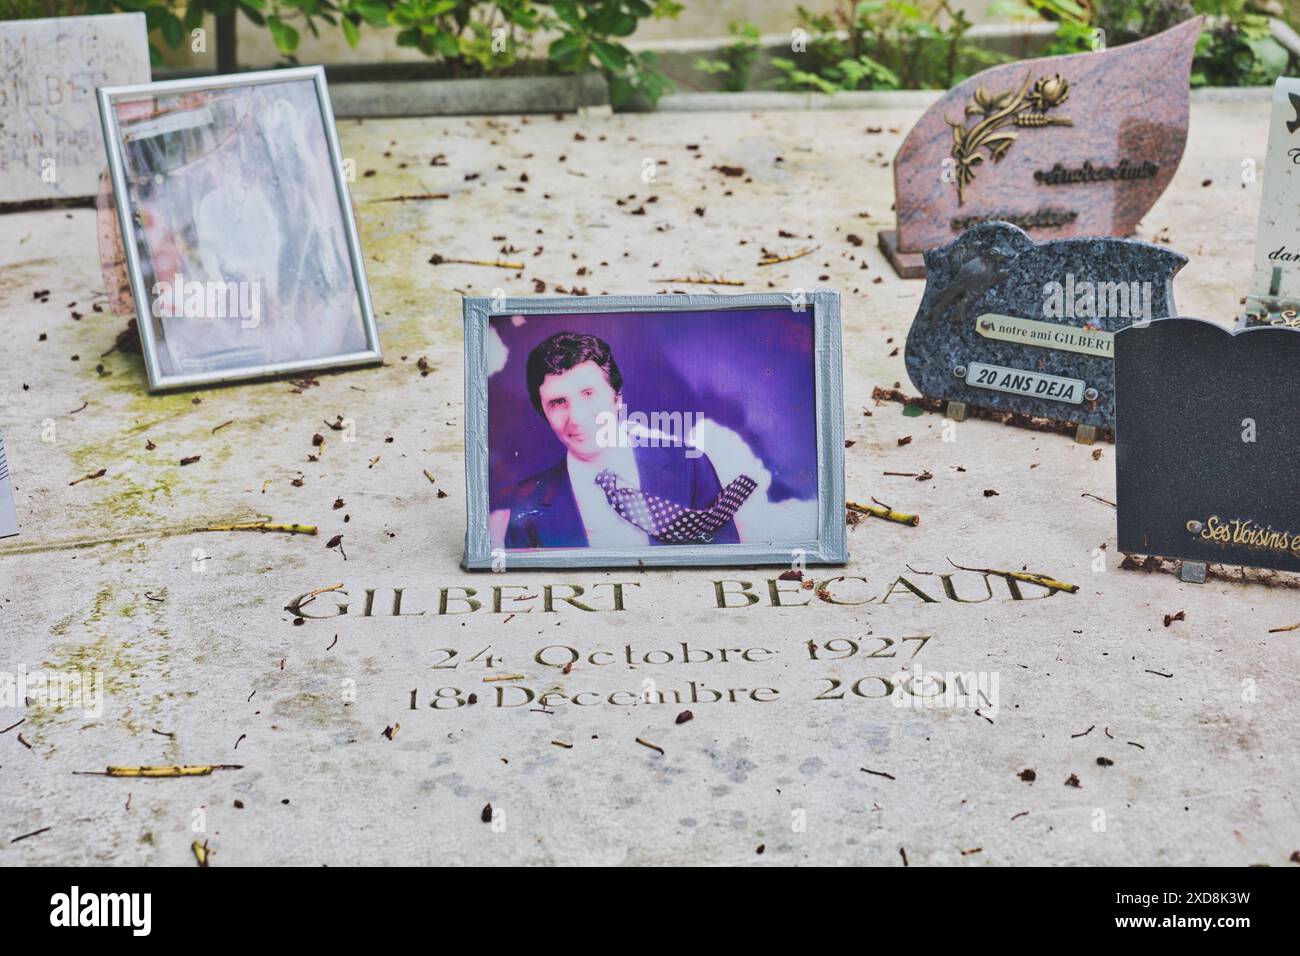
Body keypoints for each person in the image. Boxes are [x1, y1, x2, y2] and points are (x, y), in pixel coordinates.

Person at [501, 331, 741, 549]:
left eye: (588, 394)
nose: (577, 418)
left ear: (617, 398)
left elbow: (721, 560)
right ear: (544, 414)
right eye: (558, 403)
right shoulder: (527, 501)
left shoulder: (690, 467)